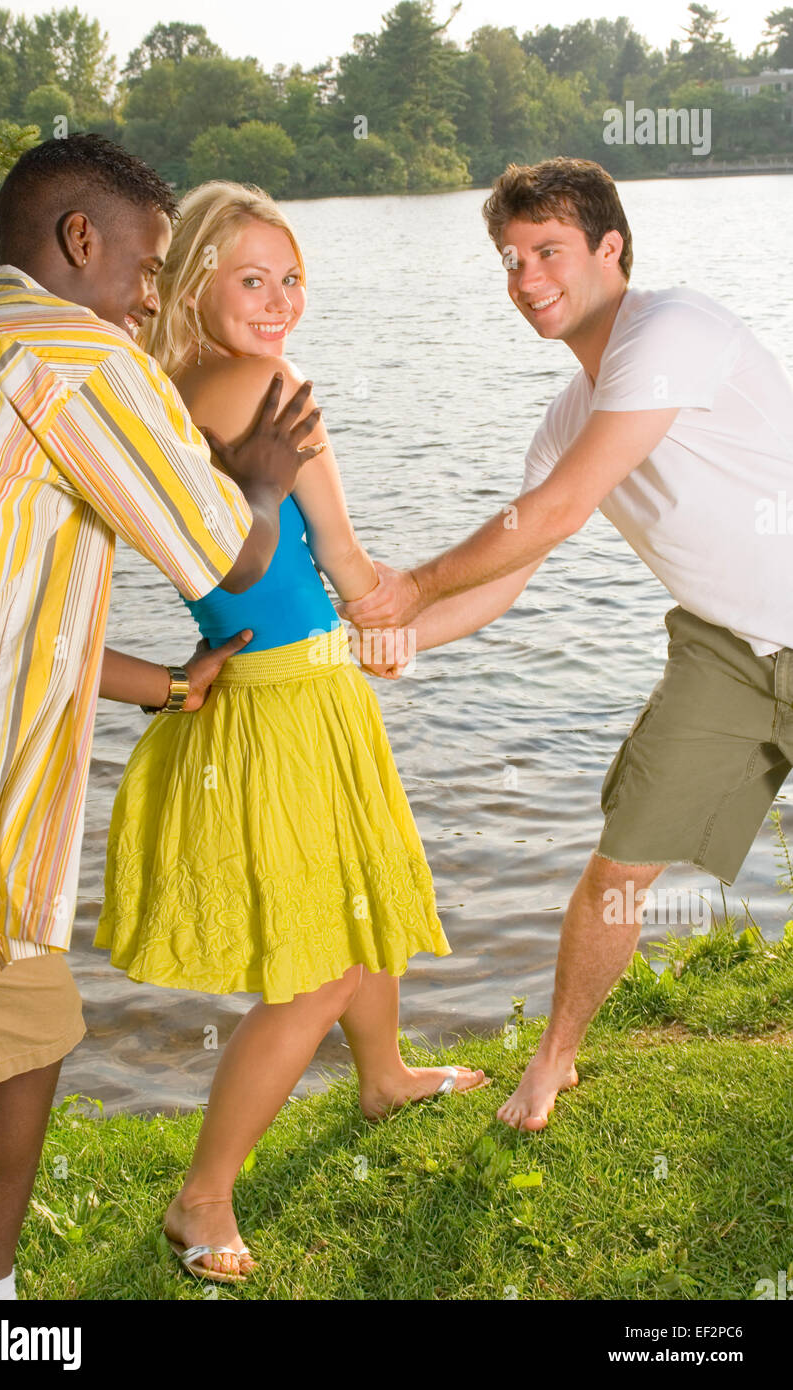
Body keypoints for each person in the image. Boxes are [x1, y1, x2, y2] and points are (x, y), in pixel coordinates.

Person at [0, 133, 320, 1301]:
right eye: (148, 268)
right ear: (77, 241)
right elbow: (227, 555)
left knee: (33, 1031)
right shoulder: (73, 352)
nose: (152, 297)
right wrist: (257, 474)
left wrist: (160, 681)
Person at [344, 156, 793, 1132]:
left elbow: (553, 512)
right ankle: (551, 1064)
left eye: (545, 250)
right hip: (727, 652)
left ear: (608, 248)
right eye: (508, 260)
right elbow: (508, 580)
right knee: (620, 864)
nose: (525, 279)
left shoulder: (670, 330)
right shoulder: (563, 418)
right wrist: (388, 639)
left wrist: (411, 581)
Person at [94, 180, 489, 1283]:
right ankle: (200, 1195)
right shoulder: (270, 381)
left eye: (290, 277)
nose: (278, 303)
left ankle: (383, 1072)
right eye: (249, 278)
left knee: (352, 891)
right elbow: (348, 566)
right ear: (194, 282)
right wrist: (457, 579)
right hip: (289, 700)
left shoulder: (163, 387)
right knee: (316, 957)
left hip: (262, 687)